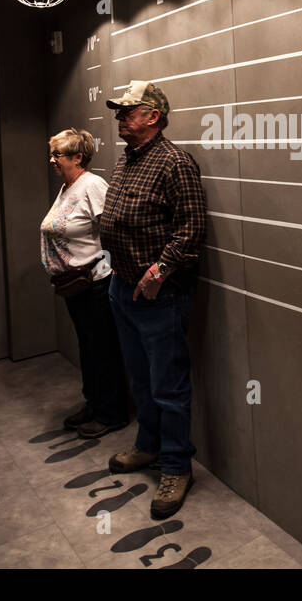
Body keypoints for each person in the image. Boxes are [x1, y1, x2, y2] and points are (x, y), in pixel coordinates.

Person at [99, 81, 207, 519]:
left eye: (129, 111)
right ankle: (148, 446)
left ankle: (177, 467)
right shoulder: (126, 160)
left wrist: (158, 273)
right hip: (121, 287)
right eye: (120, 111)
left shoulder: (175, 163)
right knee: (140, 378)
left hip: (159, 296)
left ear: (153, 117)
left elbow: (191, 228)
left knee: (168, 386)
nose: (120, 117)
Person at [40, 128, 130, 438]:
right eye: (52, 154)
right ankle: (95, 402)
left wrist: (108, 270)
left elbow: (112, 230)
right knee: (89, 348)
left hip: (95, 284)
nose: (52, 159)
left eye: (58, 154)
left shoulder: (92, 185)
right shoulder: (68, 187)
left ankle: (112, 412)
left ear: (78, 157)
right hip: (75, 285)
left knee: (102, 348)